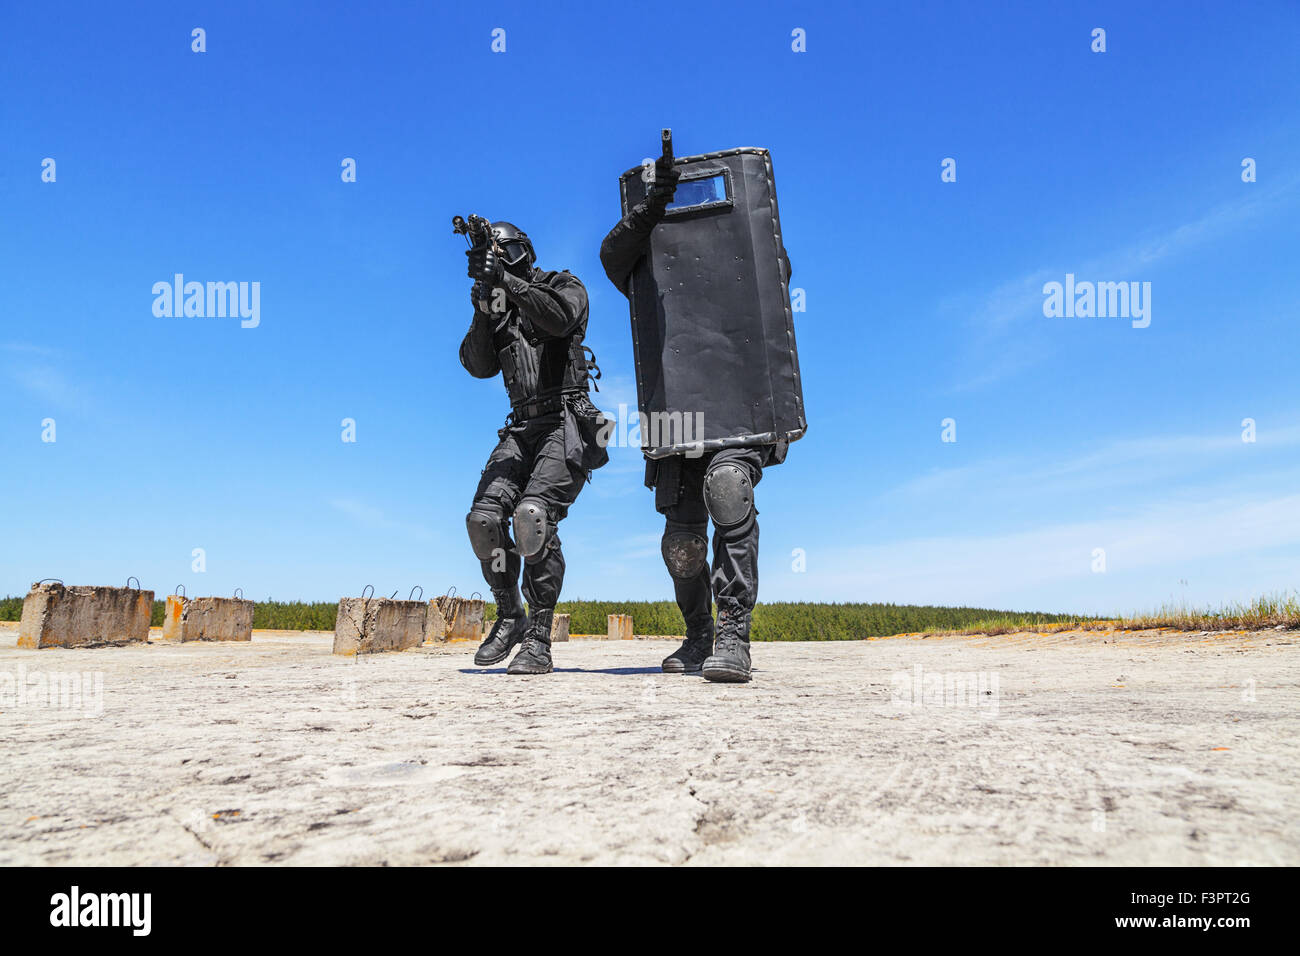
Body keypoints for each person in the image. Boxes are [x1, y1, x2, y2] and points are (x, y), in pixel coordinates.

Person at [599, 163, 793, 684]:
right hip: (677, 411)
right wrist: (653, 204)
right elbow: (612, 257)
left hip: (738, 404)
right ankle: (699, 633)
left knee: (728, 488)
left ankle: (734, 633)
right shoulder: (647, 254)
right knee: (681, 542)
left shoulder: (748, 245)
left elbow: (775, 284)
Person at [460, 222, 607, 675]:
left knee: (532, 517)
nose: (499, 258)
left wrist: (505, 281)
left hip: (567, 419)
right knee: (484, 521)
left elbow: (560, 319)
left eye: (504, 251)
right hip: (522, 426)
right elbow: (477, 365)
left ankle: (539, 638)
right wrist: (484, 305)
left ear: (523, 251)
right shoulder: (497, 303)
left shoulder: (563, 285)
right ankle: (510, 616)